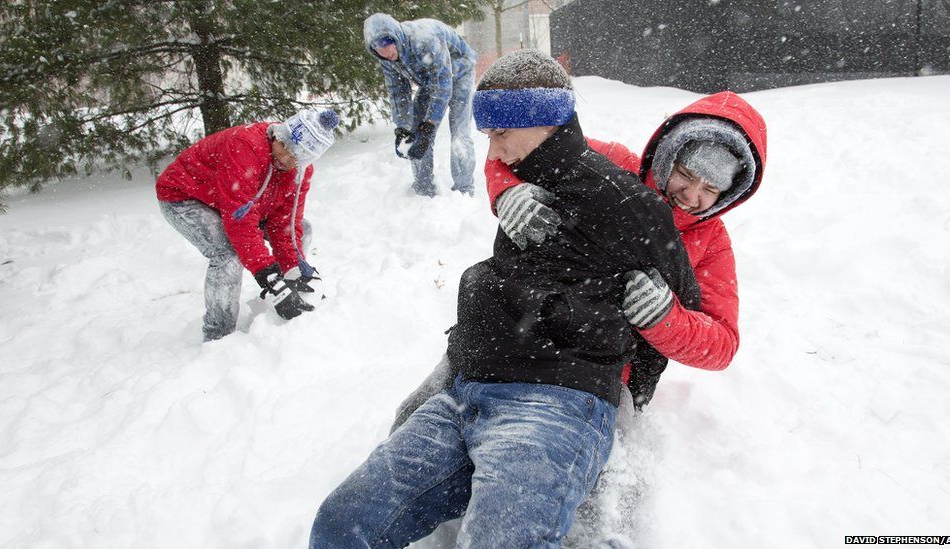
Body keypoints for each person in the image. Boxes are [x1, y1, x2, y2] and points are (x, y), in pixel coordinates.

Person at [309, 50, 700, 548]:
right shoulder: (523, 182)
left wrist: (636, 379)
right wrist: (504, 194)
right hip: (465, 389)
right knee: (343, 522)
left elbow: (685, 309)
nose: (493, 154)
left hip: (558, 399)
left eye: (498, 134)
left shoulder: (626, 204)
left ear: (544, 123)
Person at [391, 91, 766, 430]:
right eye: (685, 175)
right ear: (668, 157)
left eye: (711, 189)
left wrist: (665, 320)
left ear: (729, 194)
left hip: (606, 370)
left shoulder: (712, 243)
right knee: (417, 417)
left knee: (580, 474)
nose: (692, 195)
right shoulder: (611, 164)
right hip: (524, 324)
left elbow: (721, 344)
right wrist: (508, 193)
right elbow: (518, 148)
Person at [156, 108, 339, 341]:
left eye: (295, 158)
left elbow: (286, 224)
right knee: (227, 255)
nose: (285, 159)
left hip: (236, 203)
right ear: (279, 135)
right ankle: (218, 337)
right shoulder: (245, 147)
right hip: (186, 196)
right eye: (284, 147)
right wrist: (269, 277)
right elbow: (240, 222)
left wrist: (294, 271)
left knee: (304, 229)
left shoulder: (299, 172)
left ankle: (288, 294)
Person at [363, 13, 477, 197]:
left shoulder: (425, 39)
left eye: (386, 41)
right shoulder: (386, 59)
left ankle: (464, 190)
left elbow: (443, 85)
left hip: (460, 71)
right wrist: (402, 127)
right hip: (431, 80)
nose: (384, 50)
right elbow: (397, 92)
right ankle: (424, 187)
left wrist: (430, 124)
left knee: (459, 133)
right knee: (416, 131)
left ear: (395, 35)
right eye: (377, 47)